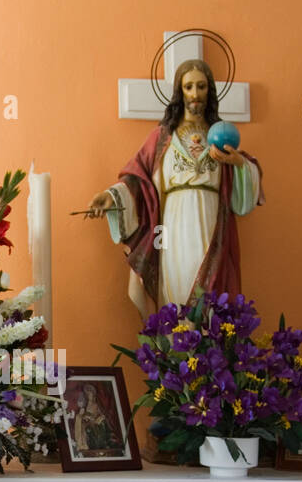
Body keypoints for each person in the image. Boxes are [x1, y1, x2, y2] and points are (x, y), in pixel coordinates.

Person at [86, 58, 264, 317]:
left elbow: (243, 192)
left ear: (209, 91)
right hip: (171, 228)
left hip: (212, 224)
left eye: (201, 86)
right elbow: (137, 179)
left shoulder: (220, 136)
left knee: (212, 293)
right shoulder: (161, 138)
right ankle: (173, 353)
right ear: (180, 91)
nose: (195, 94)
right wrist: (111, 197)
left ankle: (209, 354)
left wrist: (238, 163)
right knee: (175, 289)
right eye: (189, 86)